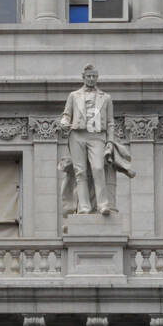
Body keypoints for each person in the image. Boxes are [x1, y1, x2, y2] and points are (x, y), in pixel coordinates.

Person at [59, 64, 118, 214]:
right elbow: (66, 115)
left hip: (97, 135)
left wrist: (110, 142)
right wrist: (64, 122)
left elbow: (111, 122)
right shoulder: (73, 95)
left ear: (97, 78)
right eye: (89, 76)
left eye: (94, 76)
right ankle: (84, 207)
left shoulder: (106, 98)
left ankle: (103, 204)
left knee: (98, 168)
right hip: (77, 135)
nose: (91, 79)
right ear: (83, 77)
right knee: (80, 172)